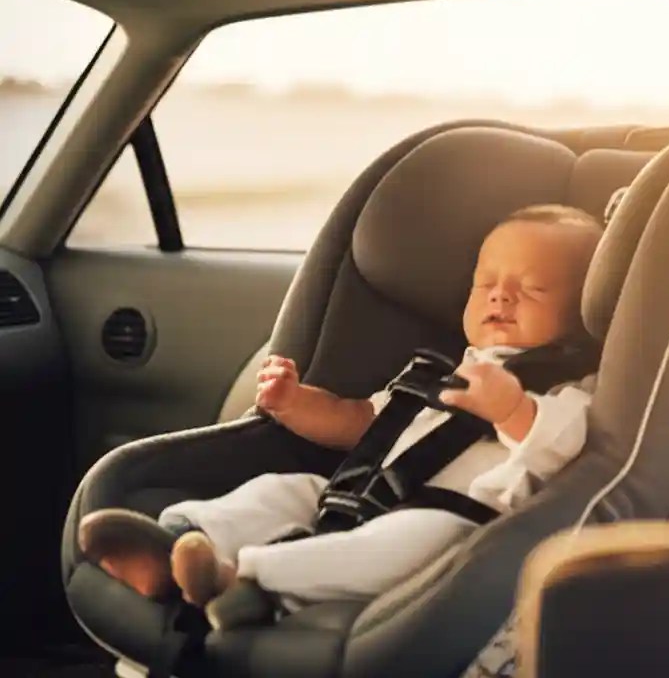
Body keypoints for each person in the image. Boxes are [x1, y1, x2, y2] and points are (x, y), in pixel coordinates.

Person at [78, 204, 603, 614]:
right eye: (486, 283)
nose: (501, 297)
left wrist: (511, 409)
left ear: (583, 308)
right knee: (285, 490)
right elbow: (362, 423)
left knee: (404, 545)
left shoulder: (570, 386)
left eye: (532, 288)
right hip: (355, 495)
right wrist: (294, 404)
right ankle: (177, 544)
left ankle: (240, 577)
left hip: (455, 525)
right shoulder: (436, 374)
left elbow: (561, 443)